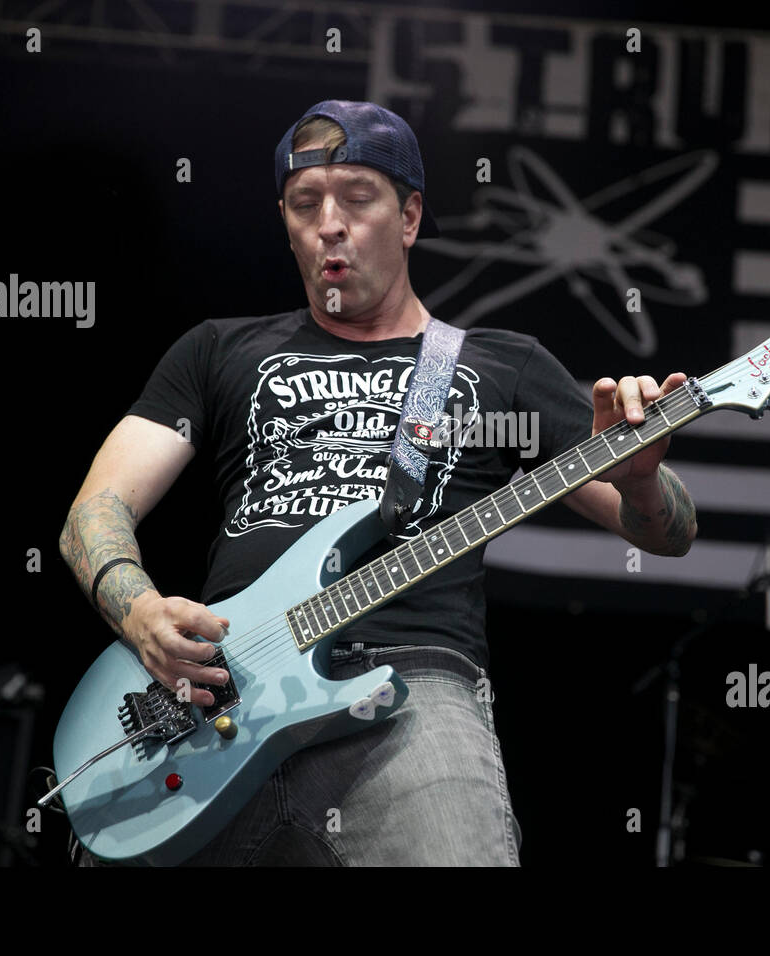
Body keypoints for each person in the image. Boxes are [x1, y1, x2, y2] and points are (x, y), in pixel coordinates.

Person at [59, 100, 698, 866]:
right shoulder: (216, 349)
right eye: (305, 203)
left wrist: (639, 482)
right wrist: (141, 616)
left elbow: (668, 532)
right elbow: (93, 512)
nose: (330, 222)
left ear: (410, 216)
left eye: (358, 198)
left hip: (415, 686)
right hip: (221, 688)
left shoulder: (502, 364)